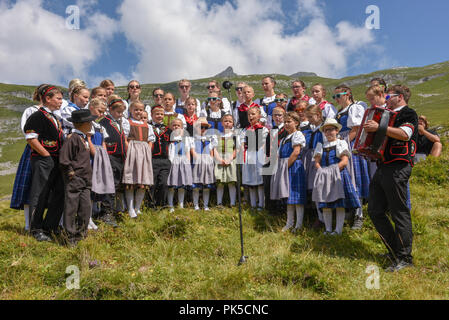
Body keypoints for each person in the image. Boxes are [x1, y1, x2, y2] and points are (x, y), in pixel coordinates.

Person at [364, 85, 418, 272]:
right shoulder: (386, 114)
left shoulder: (408, 113)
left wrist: (380, 127)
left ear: (400, 97)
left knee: (399, 211)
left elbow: (405, 134)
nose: (386, 98)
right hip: (383, 166)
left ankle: (405, 258)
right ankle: (394, 250)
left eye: (389, 95)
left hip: (398, 166)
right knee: (375, 210)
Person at [24, 85, 65, 242]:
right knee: (40, 193)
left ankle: (51, 226)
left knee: (59, 191)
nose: (61, 101)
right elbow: (31, 138)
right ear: (48, 99)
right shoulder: (37, 116)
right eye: (59, 98)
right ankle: (36, 228)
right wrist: (46, 155)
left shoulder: (54, 117)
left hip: (56, 160)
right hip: (43, 160)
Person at [313, 118, 361, 235]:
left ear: (337, 131)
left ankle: (338, 230)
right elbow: (317, 162)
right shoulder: (321, 145)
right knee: (326, 204)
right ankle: (328, 229)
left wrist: (333, 171)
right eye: (326, 130)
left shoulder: (341, 143)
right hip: (324, 176)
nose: (329, 132)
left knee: (340, 204)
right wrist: (322, 171)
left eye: (331, 130)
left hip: (338, 175)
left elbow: (344, 161)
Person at [10, 84, 47, 231]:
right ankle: (28, 224)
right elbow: (27, 131)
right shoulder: (31, 110)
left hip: (50, 150)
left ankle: (41, 222)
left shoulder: (53, 113)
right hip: (34, 149)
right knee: (30, 186)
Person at [59, 109, 97, 246]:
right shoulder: (73, 138)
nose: (91, 123)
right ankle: (70, 237)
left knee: (85, 207)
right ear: (83, 123)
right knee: (71, 208)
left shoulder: (83, 138)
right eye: (90, 121)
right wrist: (71, 173)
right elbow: (64, 159)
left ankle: (81, 234)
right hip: (75, 179)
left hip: (86, 179)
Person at [334, 85, 369, 230]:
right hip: (341, 143)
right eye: (334, 96)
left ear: (347, 94)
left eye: (338, 95)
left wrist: (344, 143)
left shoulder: (354, 108)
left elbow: (356, 129)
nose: (336, 99)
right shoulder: (339, 111)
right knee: (346, 179)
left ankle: (359, 215)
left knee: (356, 180)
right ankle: (349, 210)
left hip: (350, 144)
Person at [270, 112, 307, 232]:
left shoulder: (298, 135)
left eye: (289, 121)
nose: (286, 124)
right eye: (285, 122)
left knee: (297, 197)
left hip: (294, 166)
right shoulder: (285, 137)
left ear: (296, 123)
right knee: (289, 196)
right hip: (285, 166)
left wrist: (285, 166)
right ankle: (289, 222)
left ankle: (299, 224)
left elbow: (296, 152)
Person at [99, 96, 129, 227]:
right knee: (110, 184)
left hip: (119, 157)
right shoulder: (104, 122)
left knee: (116, 184)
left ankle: (111, 210)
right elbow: (102, 140)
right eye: (118, 112)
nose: (120, 115)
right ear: (110, 109)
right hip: (111, 155)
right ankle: (106, 212)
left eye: (122, 112)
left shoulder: (119, 122)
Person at [122, 101, 155, 218]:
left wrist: (148, 150)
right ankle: (130, 208)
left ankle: (137, 207)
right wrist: (129, 149)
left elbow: (151, 140)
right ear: (130, 110)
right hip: (132, 151)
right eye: (136, 109)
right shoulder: (127, 123)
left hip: (144, 152)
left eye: (140, 110)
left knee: (142, 181)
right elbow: (124, 138)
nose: (138, 112)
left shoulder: (148, 126)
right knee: (131, 180)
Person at [87, 98, 114, 231]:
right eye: (99, 111)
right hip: (91, 157)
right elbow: (88, 140)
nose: (101, 114)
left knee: (95, 187)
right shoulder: (87, 124)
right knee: (89, 186)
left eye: (103, 112)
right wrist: (96, 155)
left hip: (99, 156)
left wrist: (104, 156)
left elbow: (103, 142)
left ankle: (92, 215)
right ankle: (87, 218)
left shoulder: (101, 127)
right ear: (91, 107)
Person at [241, 106, 269, 210]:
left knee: (259, 181)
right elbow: (242, 144)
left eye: (253, 114)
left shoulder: (263, 129)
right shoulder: (245, 130)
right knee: (251, 181)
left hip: (258, 156)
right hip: (249, 156)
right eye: (249, 114)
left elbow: (264, 144)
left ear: (259, 116)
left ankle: (261, 204)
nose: (250, 116)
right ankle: (253, 204)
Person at [263, 107, 288, 215]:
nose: (277, 117)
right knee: (268, 184)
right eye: (275, 115)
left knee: (279, 184)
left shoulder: (286, 130)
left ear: (284, 116)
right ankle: (270, 208)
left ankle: (281, 208)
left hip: (281, 160)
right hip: (270, 160)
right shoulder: (272, 130)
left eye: (279, 115)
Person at [167, 118, 193, 212]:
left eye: (178, 125)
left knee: (182, 185)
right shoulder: (169, 138)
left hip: (183, 162)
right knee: (172, 185)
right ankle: (170, 205)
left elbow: (187, 152)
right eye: (174, 125)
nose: (176, 127)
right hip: (173, 162)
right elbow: (169, 152)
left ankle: (181, 204)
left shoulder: (186, 139)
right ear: (171, 127)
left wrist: (188, 164)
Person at [191, 117, 217, 211]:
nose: (203, 129)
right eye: (201, 127)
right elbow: (192, 151)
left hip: (207, 163)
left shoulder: (209, 139)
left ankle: (206, 205)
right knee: (196, 186)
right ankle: (196, 205)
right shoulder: (193, 139)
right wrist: (197, 158)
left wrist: (210, 160)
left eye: (205, 128)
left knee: (207, 186)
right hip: (197, 163)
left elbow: (211, 151)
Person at [149, 105, 172, 208]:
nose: (159, 116)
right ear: (152, 115)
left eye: (161, 114)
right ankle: (151, 204)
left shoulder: (168, 130)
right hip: (152, 159)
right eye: (157, 114)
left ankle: (161, 204)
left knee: (163, 183)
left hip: (164, 160)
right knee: (152, 183)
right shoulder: (148, 127)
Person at [214, 114, 238, 207]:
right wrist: (219, 159)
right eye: (225, 121)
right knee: (220, 183)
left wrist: (230, 158)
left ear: (232, 124)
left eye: (230, 121)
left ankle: (232, 203)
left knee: (231, 182)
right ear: (222, 123)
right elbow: (214, 148)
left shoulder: (234, 136)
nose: (227, 123)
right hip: (220, 160)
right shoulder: (218, 135)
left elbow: (237, 149)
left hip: (230, 160)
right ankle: (219, 203)